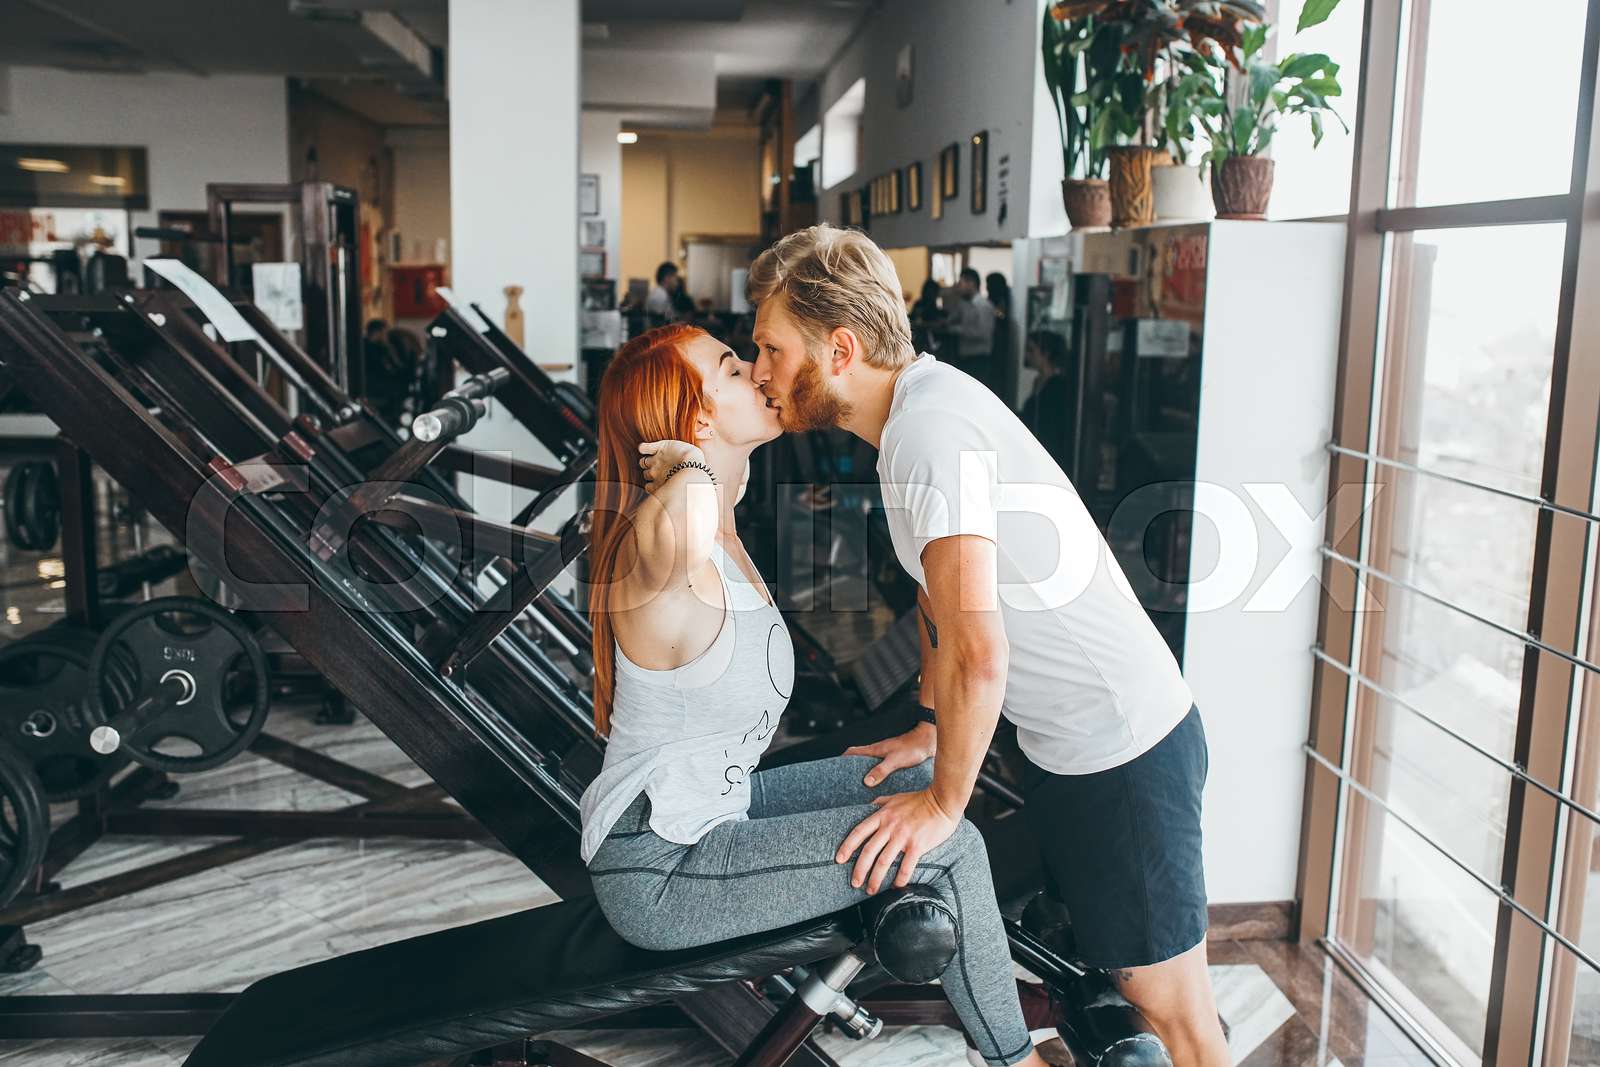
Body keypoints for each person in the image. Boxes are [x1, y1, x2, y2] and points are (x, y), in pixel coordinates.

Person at [747, 224, 1228, 1067]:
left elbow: (980, 650)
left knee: (1176, 1015)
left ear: (839, 350)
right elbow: (939, 602)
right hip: (1072, 748)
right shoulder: (914, 417)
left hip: (1124, 749)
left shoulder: (929, 433)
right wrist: (932, 724)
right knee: (1133, 999)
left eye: (771, 349)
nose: (759, 370)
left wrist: (943, 803)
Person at [579, 324, 1054, 1067]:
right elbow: (682, 516)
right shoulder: (663, 540)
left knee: (917, 784)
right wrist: (693, 464)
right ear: (697, 419)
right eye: (733, 369)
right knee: (948, 842)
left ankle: (997, 989)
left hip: (719, 809)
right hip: (663, 865)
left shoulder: (719, 529)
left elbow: (708, 500)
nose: (757, 373)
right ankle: (1013, 1060)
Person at [1019, 331, 1074, 471]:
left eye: (1031, 350)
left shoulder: (1058, 386)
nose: (1027, 356)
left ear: (1046, 354)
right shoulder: (1038, 381)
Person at [947, 267, 996, 360]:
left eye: (961, 283)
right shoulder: (964, 303)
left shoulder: (983, 306)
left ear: (971, 283)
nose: (958, 287)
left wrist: (956, 329)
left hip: (979, 357)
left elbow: (983, 333)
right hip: (965, 355)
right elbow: (951, 319)